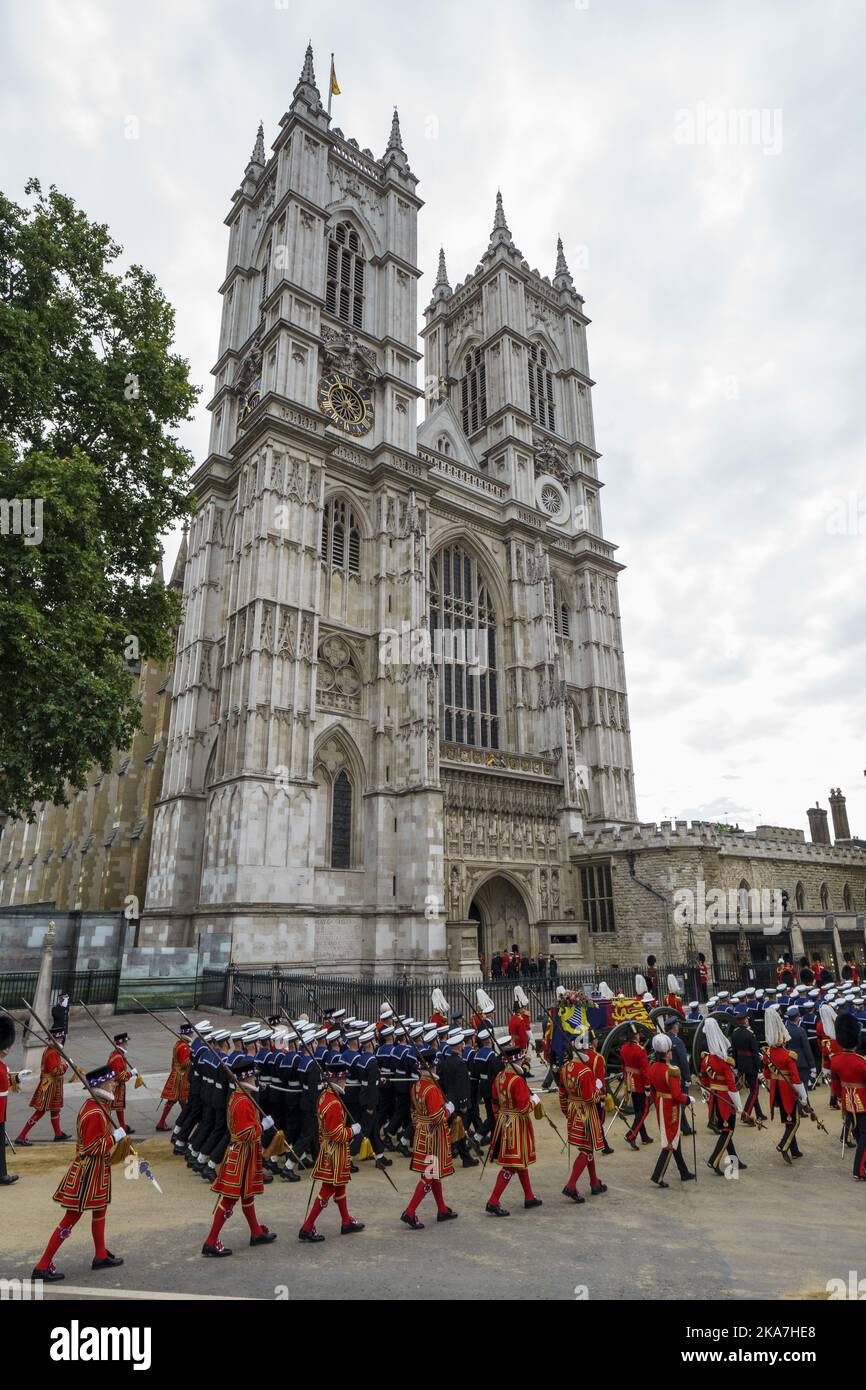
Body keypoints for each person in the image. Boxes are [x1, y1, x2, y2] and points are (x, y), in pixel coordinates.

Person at [32, 1064, 128, 1282]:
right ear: (102, 1084)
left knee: (100, 1209)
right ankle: (42, 1264)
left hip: (96, 1170)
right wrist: (115, 1137)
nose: (114, 1084)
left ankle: (101, 1254)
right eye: (111, 1081)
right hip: (88, 1171)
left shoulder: (97, 1105)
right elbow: (93, 1147)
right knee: (71, 1218)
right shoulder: (95, 1112)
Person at [201, 1054, 277, 1257]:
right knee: (229, 1200)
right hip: (241, 1154)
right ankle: (210, 1240)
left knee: (247, 1195)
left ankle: (256, 1232)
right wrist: (263, 1126)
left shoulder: (242, 1097)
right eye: (253, 1077)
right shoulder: (242, 1102)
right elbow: (246, 1134)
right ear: (247, 1078)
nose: (256, 1080)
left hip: (245, 1154)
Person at [299, 1057, 364, 1242]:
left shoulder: (325, 1096)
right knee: (328, 1189)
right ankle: (307, 1226)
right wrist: (353, 1130)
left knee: (339, 1185)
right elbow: (338, 1134)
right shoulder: (334, 1103)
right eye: (343, 1079)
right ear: (337, 1080)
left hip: (329, 1149)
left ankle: (345, 1221)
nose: (345, 1082)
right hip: (335, 1150)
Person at [400, 1037, 459, 1229]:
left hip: (423, 1132)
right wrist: (449, 1109)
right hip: (434, 1136)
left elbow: (414, 1112)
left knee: (434, 1174)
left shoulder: (416, 1086)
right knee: (430, 1174)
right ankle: (410, 1211)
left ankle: (441, 1208)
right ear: (432, 1068)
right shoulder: (432, 1089)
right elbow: (437, 1117)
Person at [485, 1037, 542, 1216]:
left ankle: (529, 1196)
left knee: (519, 1160)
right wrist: (534, 1101)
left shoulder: (500, 1077)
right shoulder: (517, 1081)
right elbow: (524, 1107)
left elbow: (494, 1102)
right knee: (511, 1164)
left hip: (505, 1120)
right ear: (516, 1060)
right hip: (517, 1123)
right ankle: (493, 1201)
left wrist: (500, 1117)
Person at [559, 1033, 607, 1203]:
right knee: (586, 1149)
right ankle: (571, 1185)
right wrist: (598, 1089)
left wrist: (566, 1111)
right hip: (585, 1111)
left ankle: (594, 1182)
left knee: (588, 1148)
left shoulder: (566, 1067)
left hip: (572, 1109)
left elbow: (562, 1093)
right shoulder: (585, 1071)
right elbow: (590, 1098)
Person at [647, 1032, 695, 1186]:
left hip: (661, 1103)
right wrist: (688, 1099)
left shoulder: (653, 1067)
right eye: (670, 1051)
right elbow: (676, 1095)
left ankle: (683, 1171)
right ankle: (658, 1175)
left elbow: (653, 1090)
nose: (671, 1053)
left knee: (675, 1139)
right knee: (670, 1141)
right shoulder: (671, 1071)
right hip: (670, 1107)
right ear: (666, 1054)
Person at [763, 1006, 808, 1164]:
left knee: (788, 1119)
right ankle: (783, 1145)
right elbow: (795, 1078)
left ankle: (794, 1150)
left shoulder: (767, 1054)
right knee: (794, 1121)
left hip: (776, 1089)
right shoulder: (788, 1056)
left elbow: (767, 1074)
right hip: (787, 1091)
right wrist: (803, 1096)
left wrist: (771, 1086)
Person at [702, 1016, 747, 1176]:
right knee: (727, 1131)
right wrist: (739, 1105)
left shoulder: (706, 1059)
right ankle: (714, 1160)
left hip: (715, 1098)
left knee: (726, 1130)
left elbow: (704, 1080)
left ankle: (735, 1161)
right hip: (725, 1099)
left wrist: (708, 1093)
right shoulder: (724, 1062)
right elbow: (731, 1085)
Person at [16, 1026, 70, 1145]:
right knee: (40, 1111)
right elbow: (55, 1071)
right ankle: (21, 1135)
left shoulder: (54, 1050)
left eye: (61, 1038)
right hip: (48, 1086)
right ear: (54, 1039)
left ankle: (58, 1134)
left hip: (54, 1086)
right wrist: (66, 1066)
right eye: (59, 1038)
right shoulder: (51, 1052)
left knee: (55, 1110)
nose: (60, 1040)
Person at [830, 1013, 866, 1179]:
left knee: (859, 1135)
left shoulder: (835, 1060)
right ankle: (858, 1170)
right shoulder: (861, 1062)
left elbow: (836, 1084)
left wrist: (838, 1097)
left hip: (847, 1102)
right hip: (863, 1102)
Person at [0, 1015, 30, 1186]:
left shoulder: (3, 1065)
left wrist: (17, 1078)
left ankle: (1, 1174)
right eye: (6, 1047)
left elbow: (4, 1083)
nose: (8, 1049)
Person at [620, 1026, 653, 1150]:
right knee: (644, 1110)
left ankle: (644, 1137)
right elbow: (644, 1071)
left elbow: (623, 1065)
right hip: (639, 1082)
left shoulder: (623, 1048)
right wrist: (648, 1086)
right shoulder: (640, 1050)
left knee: (638, 1110)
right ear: (635, 1036)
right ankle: (631, 1135)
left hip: (630, 1081)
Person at [157, 1023, 193, 1131]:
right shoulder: (184, 1047)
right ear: (188, 1033)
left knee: (180, 1101)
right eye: (191, 1033)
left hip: (176, 1074)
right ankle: (162, 1122)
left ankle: (184, 1120)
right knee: (178, 1100)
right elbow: (184, 1063)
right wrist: (194, 1058)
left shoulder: (179, 1044)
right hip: (180, 1077)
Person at [731, 1013, 766, 1122]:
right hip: (751, 1065)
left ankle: (759, 1113)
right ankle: (746, 1114)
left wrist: (735, 1066)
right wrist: (759, 1069)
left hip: (741, 1065)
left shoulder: (735, 1033)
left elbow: (734, 1051)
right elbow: (755, 1053)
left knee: (752, 1090)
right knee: (754, 1091)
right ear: (745, 1021)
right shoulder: (750, 1034)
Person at [665, 1016, 694, 1135]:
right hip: (679, 1075)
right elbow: (683, 1062)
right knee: (681, 1102)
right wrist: (687, 1078)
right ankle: (681, 1127)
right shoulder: (677, 1041)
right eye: (677, 1025)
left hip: (668, 1074)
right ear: (674, 1027)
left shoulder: (666, 1040)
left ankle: (685, 1128)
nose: (678, 1026)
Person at [107, 1031, 136, 1134]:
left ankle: (123, 1126)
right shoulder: (118, 1057)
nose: (127, 1044)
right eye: (126, 1042)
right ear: (123, 1043)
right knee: (109, 1107)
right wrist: (131, 1074)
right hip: (115, 1086)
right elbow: (120, 1076)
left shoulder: (117, 1054)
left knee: (119, 1106)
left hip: (116, 1086)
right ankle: (107, 1128)